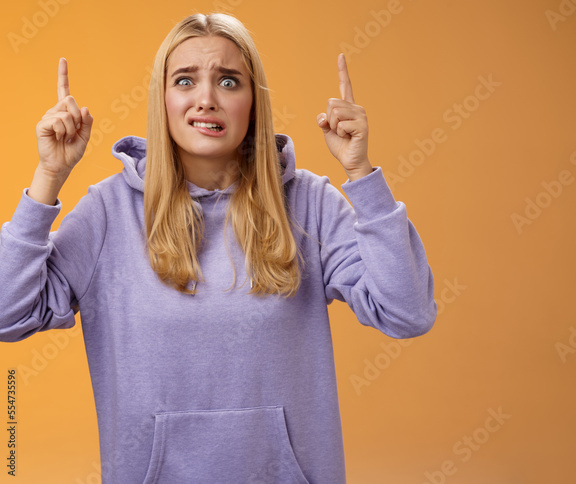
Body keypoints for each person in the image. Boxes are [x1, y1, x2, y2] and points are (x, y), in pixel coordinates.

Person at [0, 12, 436, 483]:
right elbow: (6, 313)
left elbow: (407, 312)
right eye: (185, 80)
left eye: (229, 81)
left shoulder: (310, 204)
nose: (206, 99)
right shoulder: (109, 213)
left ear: (253, 102)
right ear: (162, 100)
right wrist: (48, 178)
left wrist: (362, 174)